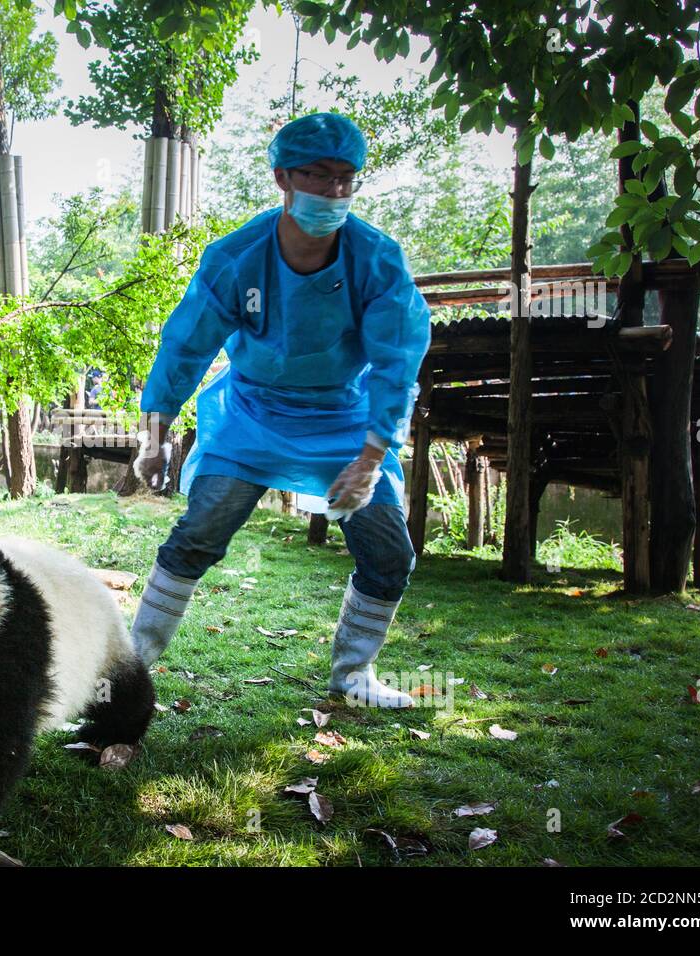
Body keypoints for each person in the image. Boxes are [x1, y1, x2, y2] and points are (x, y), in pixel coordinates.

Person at [129, 112, 431, 708]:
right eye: (318, 176)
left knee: (389, 552)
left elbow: (397, 359)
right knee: (199, 532)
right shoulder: (236, 257)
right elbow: (187, 343)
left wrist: (372, 458)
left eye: (347, 178)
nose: (334, 191)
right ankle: (127, 667)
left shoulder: (377, 260)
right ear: (282, 179)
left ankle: (353, 677)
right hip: (252, 414)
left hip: (345, 421)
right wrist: (154, 431)